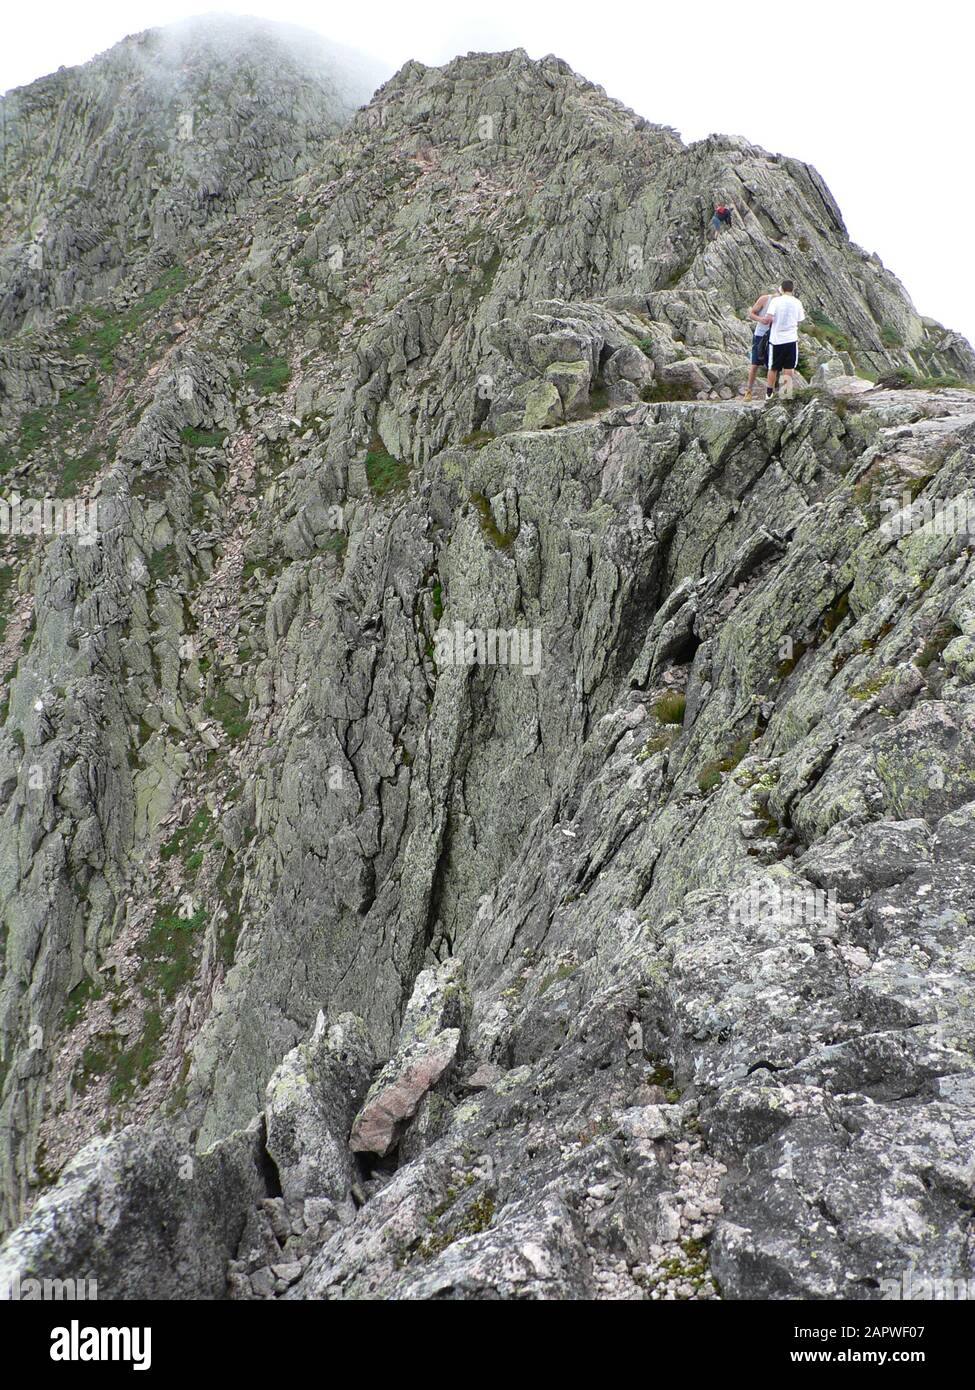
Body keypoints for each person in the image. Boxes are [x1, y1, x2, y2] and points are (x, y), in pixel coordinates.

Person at [759, 279, 805, 400]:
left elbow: (769, 317)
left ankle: (769, 393)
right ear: (792, 289)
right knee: (789, 367)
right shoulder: (797, 302)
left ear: (782, 289)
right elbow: (800, 319)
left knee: (773, 367)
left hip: (776, 340)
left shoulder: (776, 301)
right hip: (791, 339)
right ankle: (786, 394)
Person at [744, 291, 774, 401]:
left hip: (774, 336)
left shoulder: (782, 303)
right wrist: (761, 319)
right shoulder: (765, 299)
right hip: (760, 335)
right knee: (755, 363)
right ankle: (748, 391)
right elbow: (751, 313)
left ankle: (770, 393)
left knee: (773, 366)